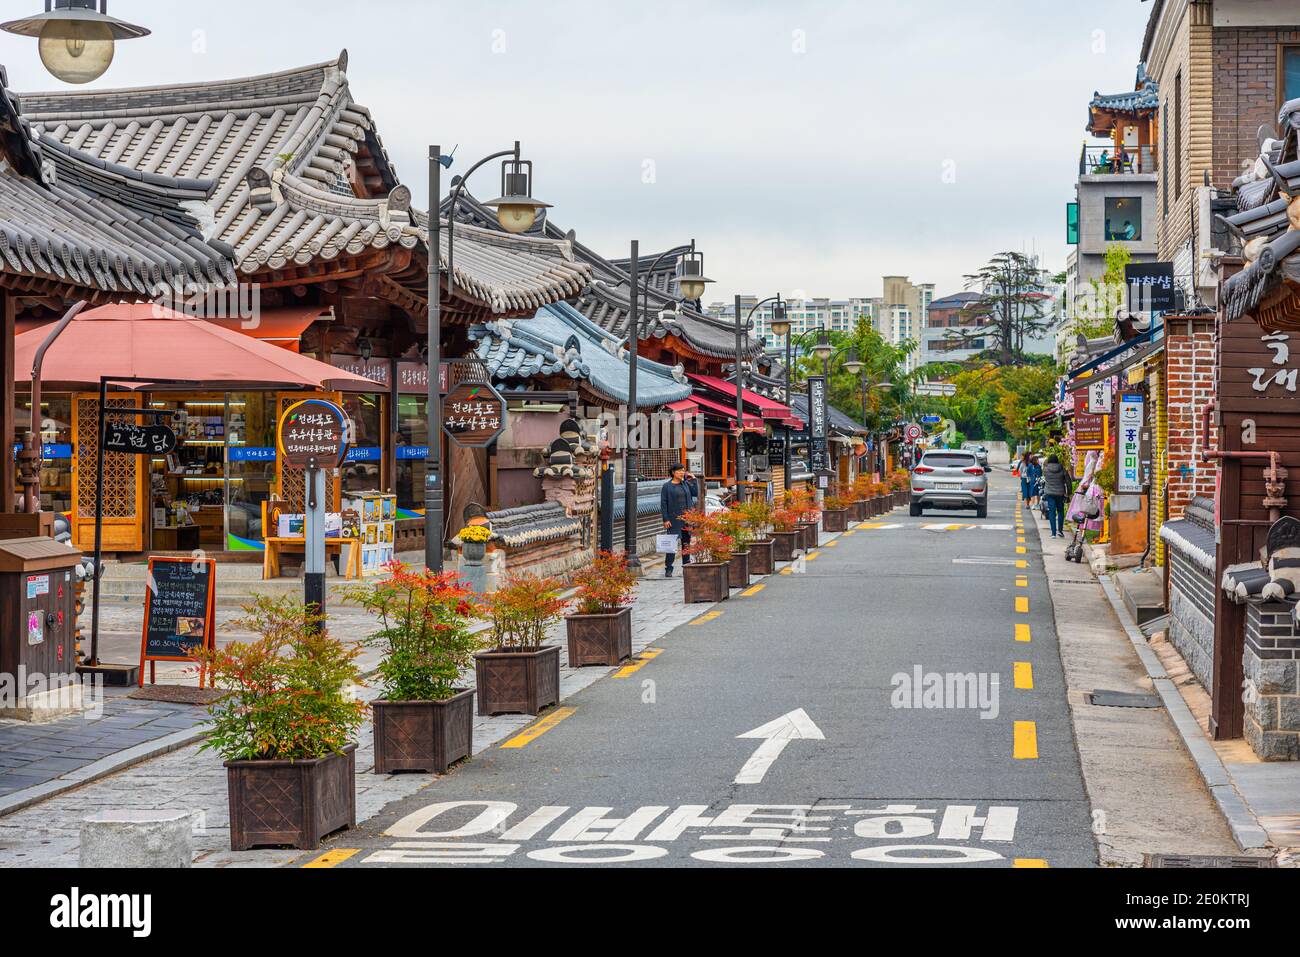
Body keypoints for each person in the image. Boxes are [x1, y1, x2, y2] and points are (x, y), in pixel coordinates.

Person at [660, 462, 698, 578]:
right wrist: (665, 519)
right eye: (679, 471)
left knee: (686, 543)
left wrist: (694, 480)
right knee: (671, 544)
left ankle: (686, 566)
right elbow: (663, 503)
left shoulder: (685, 484)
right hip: (673, 519)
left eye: (683, 470)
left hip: (686, 519)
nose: (682, 472)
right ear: (673, 472)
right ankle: (669, 567)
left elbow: (695, 493)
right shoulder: (667, 486)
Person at [1041, 454, 1073, 539]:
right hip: (1060, 493)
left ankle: (1053, 533)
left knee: (1051, 512)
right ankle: (1060, 531)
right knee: (1060, 511)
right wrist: (1069, 492)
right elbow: (1068, 482)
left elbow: (1044, 477)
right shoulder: (1062, 469)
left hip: (1050, 493)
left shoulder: (1046, 469)